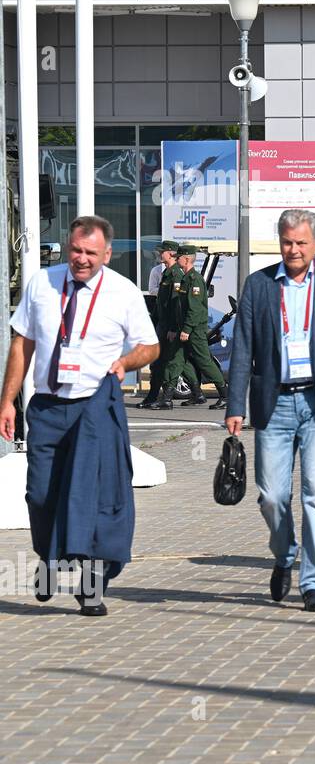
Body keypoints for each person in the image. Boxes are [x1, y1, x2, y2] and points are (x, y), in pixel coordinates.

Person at [0, 215, 159, 617]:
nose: (81, 259)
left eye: (91, 253)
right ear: (66, 247)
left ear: (107, 253)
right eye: (75, 250)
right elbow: (22, 344)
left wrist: (126, 361)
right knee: (40, 493)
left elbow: (151, 346)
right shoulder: (42, 283)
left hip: (95, 407)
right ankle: (49, 561)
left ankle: (92, 589)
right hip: (49, 408)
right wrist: (7, 401)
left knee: (91, 498)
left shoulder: (122, 292)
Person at [225, 209, 315, 613]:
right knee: (271, 496)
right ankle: (284, 552)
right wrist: (235, 404)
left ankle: (313, 583)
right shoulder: (257, 286)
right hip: (273, 404)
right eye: (287, 242)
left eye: (301, 243)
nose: (293, 249)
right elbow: (243, 350)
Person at [159, 244, 228, 409]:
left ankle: (225, 396)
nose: (177, 260)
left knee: (204, 362)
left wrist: (187, 330)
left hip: (194, 331)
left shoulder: (195, 280)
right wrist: (176, 329)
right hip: (183, 329)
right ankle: (168, 399)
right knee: (176, 360)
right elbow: (180, 308)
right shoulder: (185, 278)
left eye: (179, 257)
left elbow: (194, 309)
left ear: (187, 259)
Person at [141, 241, 198, 408]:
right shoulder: (167, 273)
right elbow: (161, 301)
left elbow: (176, 305)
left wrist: (174, 328)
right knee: (172, 360)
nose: (160, 254)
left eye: (162, 252)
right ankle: (196, 392)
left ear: (171, 253)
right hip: (162, 323)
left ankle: (159, 397)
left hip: (169, 326)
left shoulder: (176, 275)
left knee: (163, 361)